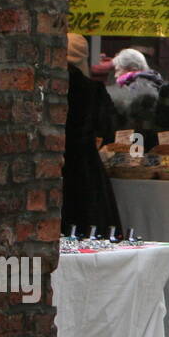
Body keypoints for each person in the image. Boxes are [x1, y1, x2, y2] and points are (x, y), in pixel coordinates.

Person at [63, 34, 124, 237]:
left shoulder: (47, 86)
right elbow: (109, 129)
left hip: (56, 164)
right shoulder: (92, 90)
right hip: (85, 166)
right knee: (89, 230)